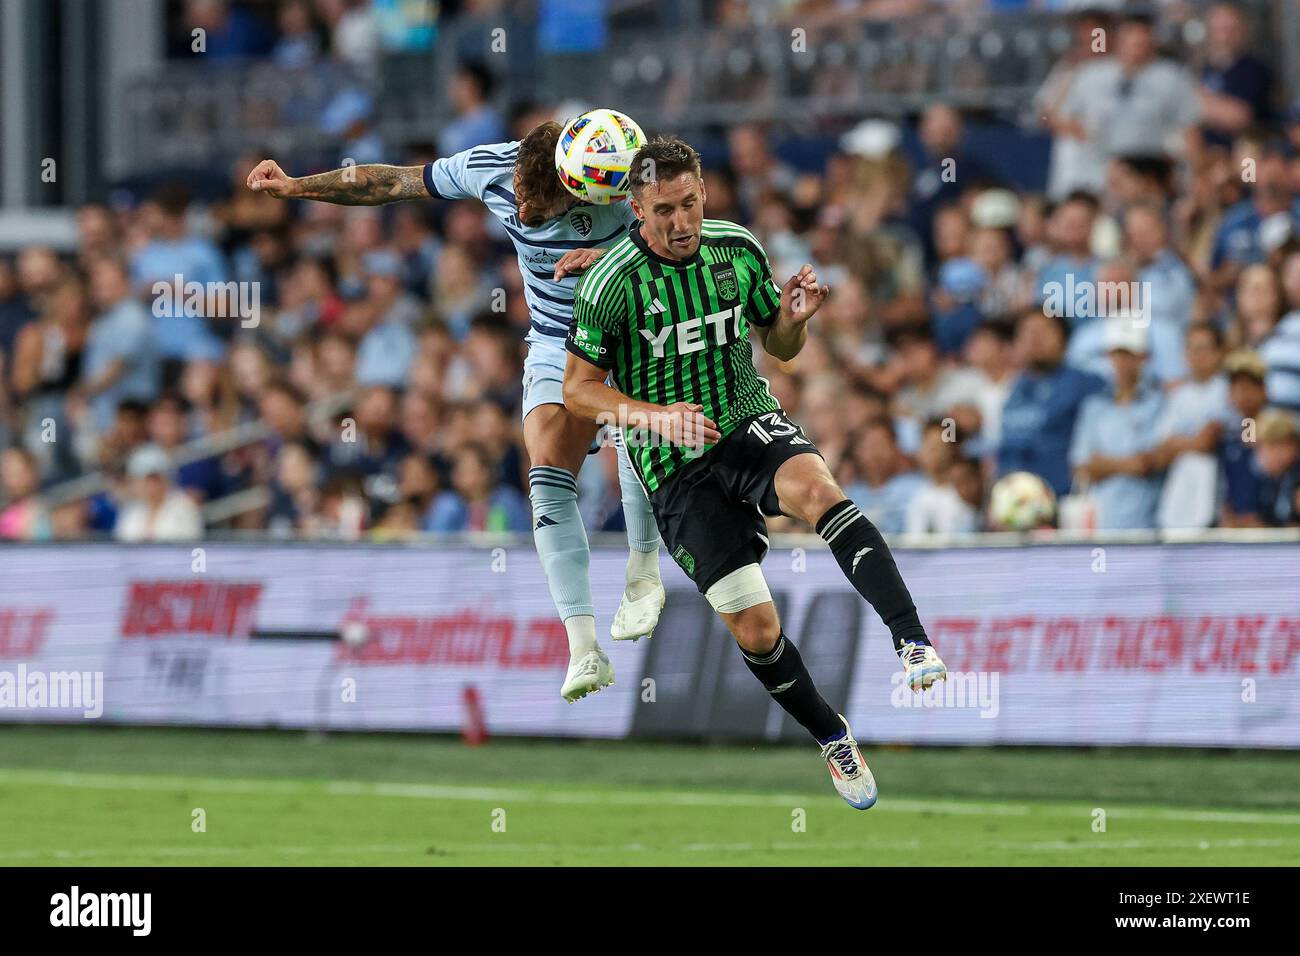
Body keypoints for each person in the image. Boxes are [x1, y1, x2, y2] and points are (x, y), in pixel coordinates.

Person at [562, 136, 946, 810]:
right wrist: (653, 417)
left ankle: (911, 640)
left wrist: (795, 323)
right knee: (757, 631)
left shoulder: (736, 248)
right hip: (672, 463)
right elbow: (578, 391)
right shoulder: (610, 282)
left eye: (689, 203)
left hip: (744, 419)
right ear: (634, 207)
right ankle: (832, 736)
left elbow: (780, 344)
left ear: (705, 192)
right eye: (662, 210)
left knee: (821, 493)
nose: (680, 222)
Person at [246, 115, 665, 702]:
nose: (520, 210)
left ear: (581, 194)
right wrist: (296, 185)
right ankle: (582, 647)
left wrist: (611, 259)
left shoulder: (625, 194)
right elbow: (389, 183)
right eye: (519, 195)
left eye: (537, 207)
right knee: (545, 476)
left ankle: (644, 571)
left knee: (637, 432)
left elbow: (686, 245)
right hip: (553, 340)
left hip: (626, 336)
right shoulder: (492, 168)